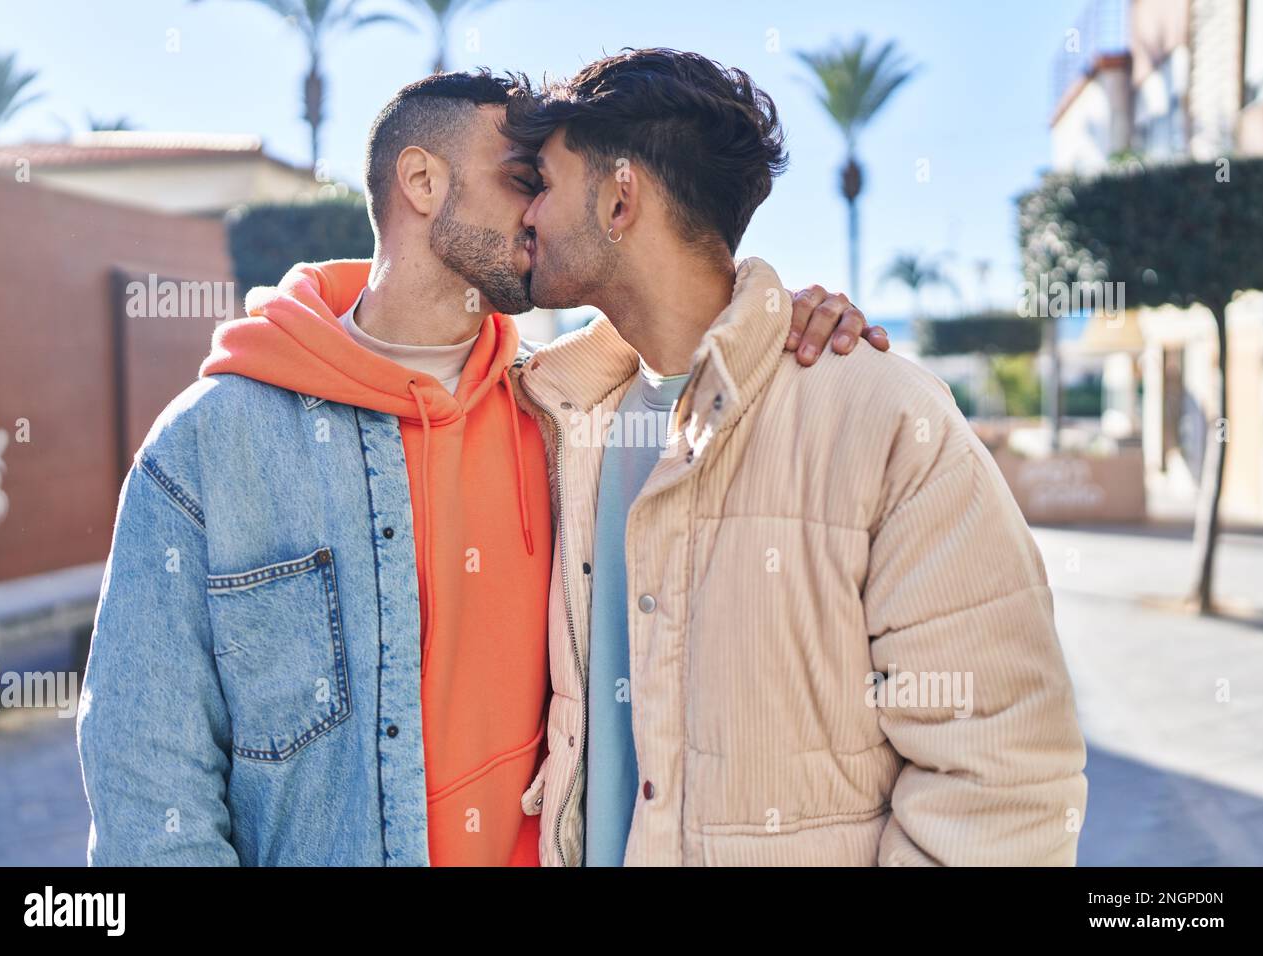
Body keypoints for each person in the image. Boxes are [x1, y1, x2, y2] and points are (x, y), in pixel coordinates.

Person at [75, 68, 885, 866]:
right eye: (520, 179)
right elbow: (148, 790)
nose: (540, 211)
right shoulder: (208, 446)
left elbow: (705, 350)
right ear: (423, 182)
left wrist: (785, 319)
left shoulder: (569, 414)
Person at [501, 48, 1089, 866]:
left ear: (619, 197)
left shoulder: (885, 418)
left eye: (545, 183)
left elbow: (1003, 774)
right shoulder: (558, 414)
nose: (526, 214)